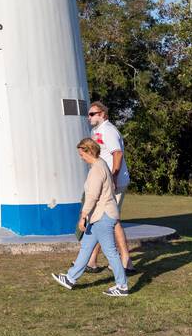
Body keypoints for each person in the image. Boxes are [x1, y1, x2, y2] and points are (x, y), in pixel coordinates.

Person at [51, 138, 129, 297]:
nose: (81, 157)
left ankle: (122, 285)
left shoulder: (96, 170)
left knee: (110, 252)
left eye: (82, 154)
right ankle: (70, 278)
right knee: (86, 246)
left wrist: (83, 216)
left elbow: (92, 196)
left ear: (89, 151)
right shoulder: (100, 164)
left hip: (103, 215)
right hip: (100, 215)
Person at [87, 101, 133, 274]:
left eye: (93, 114)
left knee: (110, 221)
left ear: (103, 114)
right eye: (89, 114)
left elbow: (117, 153)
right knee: (105, 220)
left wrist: (113, 177)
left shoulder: (108, 130)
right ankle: (94, 260)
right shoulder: (96, 131)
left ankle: (124, 261)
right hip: (103, 182)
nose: (89, 117)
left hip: (113, 183)